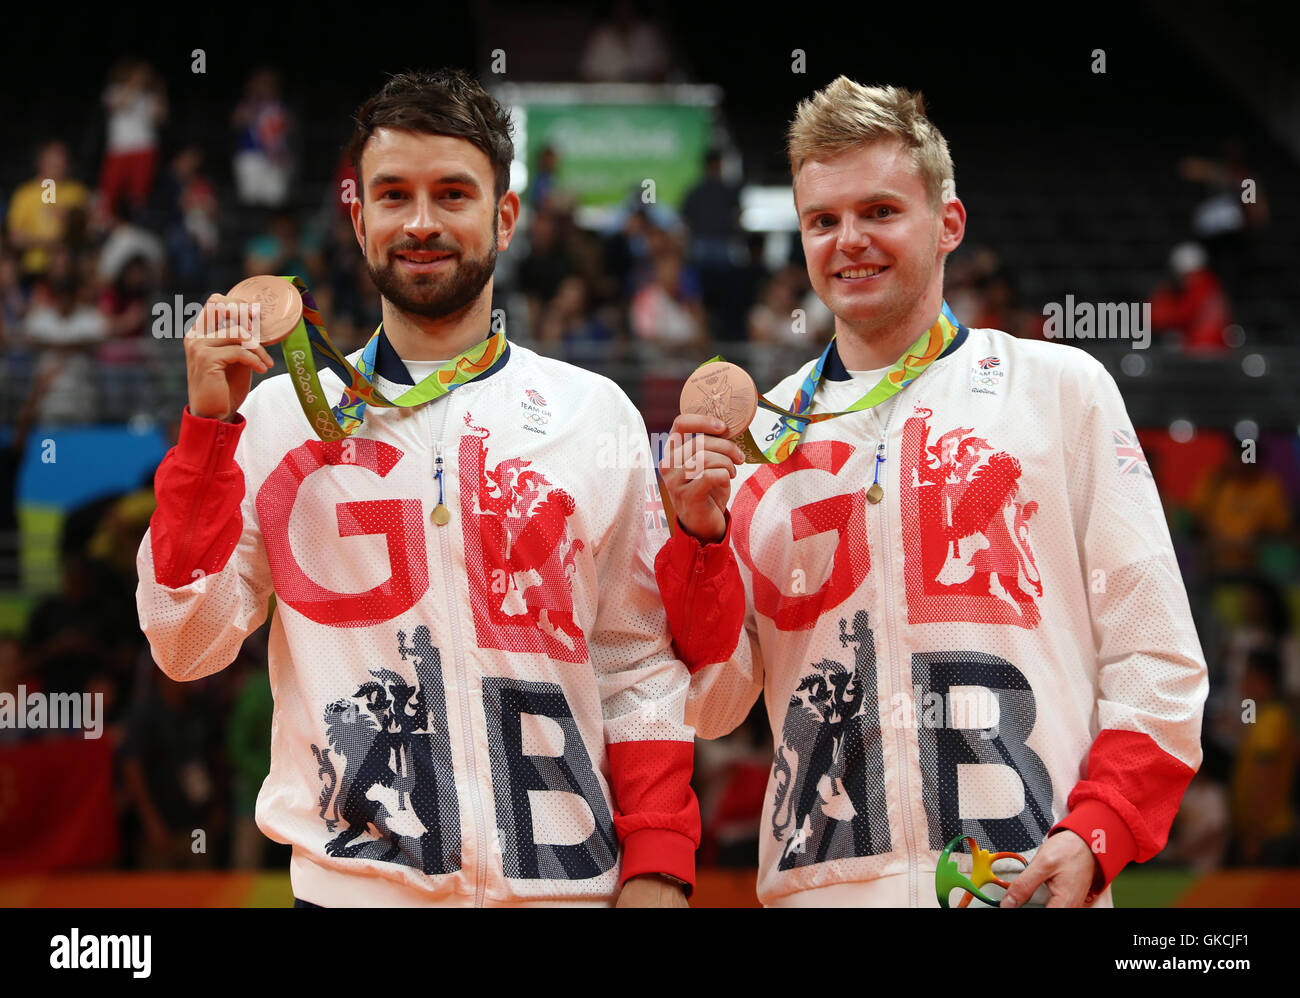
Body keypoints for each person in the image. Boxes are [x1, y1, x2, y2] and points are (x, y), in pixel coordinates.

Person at [136, 69, 696, 907]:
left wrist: (657, 870)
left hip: (569, 892)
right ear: (359, 219)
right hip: (351, 891)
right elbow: (187, 644)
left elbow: (639, 664)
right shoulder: (278, 418)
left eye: (453, 194)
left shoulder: (593, 413)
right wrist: (208, 439)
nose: (422, 223)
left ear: (504, 218)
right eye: (394, 195)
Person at [655, 77, 1208, 907]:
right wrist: (698, 543)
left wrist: (1100, 832)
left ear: (948, 223)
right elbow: (713, 704)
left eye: (880, 212)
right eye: (823, 220)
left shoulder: (1057, 389)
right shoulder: (766, 437)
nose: (851, 242)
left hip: (1024, 885)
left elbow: (1155, 653)